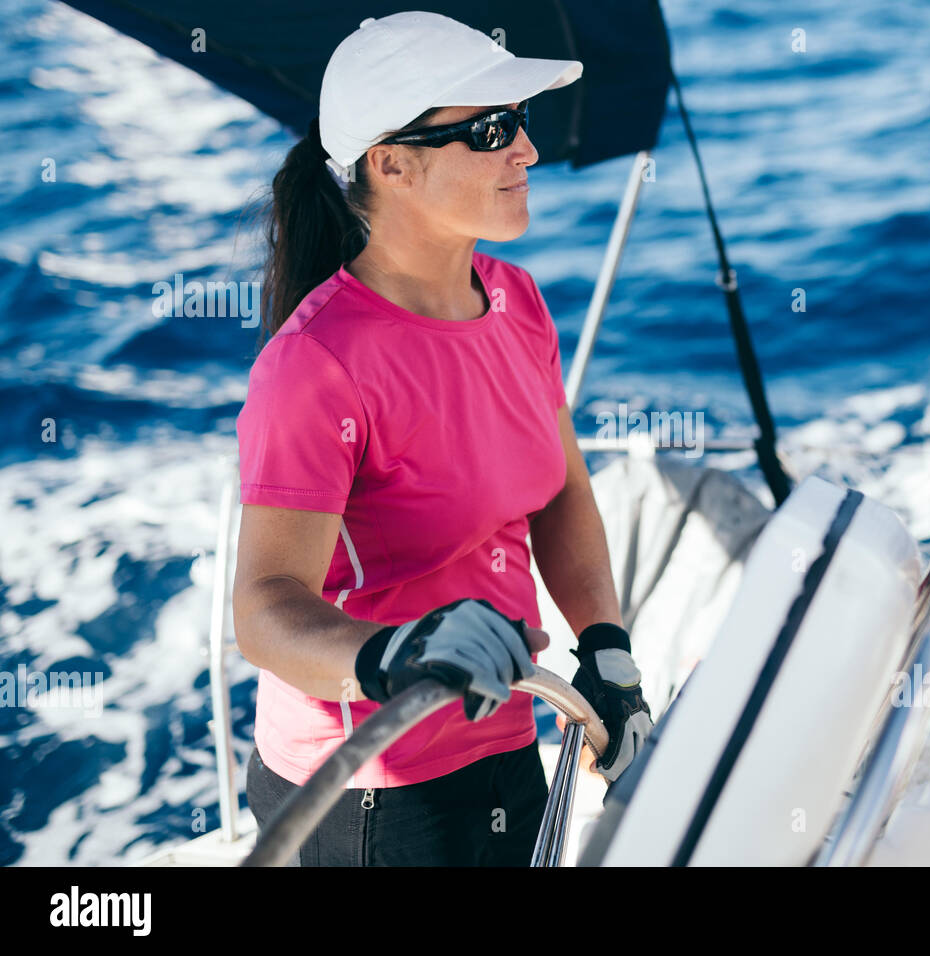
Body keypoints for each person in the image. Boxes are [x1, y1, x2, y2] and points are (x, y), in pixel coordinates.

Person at [233, 11, 653, 867]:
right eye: (491, 131)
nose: (526, 154)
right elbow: (266, 606)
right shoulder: (314, 366)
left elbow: (562, 492)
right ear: (391, 165)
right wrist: (394, 654)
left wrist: (607, 650)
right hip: (369, 797)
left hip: (508, 741)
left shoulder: (516, 301)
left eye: (521, 124)